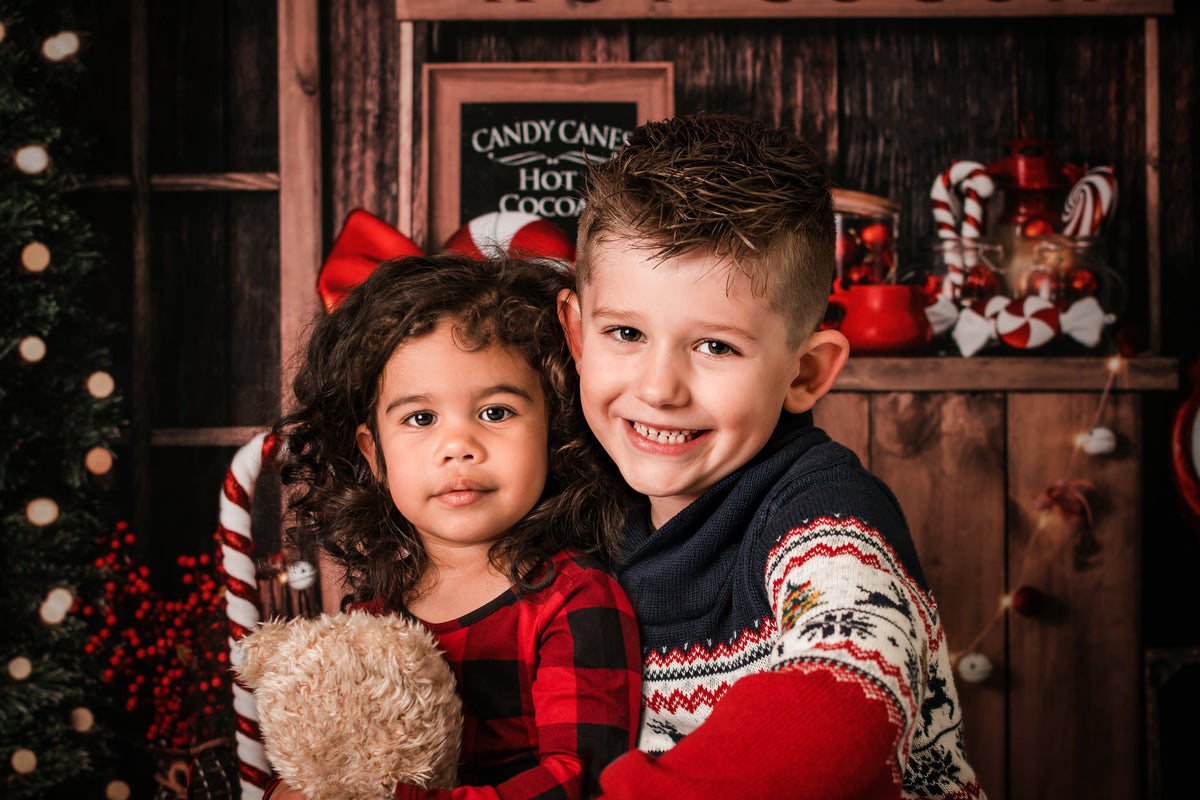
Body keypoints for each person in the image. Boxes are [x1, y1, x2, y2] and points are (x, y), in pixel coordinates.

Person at [558, 113, 985, 799]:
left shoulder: (826, 516)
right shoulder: (578, 514)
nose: (659, 389)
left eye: (716, 347)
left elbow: (849, 682)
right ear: (577, 336)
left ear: (806, 373)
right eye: (626, 333)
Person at [266, 254, 641, 800]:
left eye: (495, 412)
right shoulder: (375, 615)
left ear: (552, 427)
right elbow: (334, 755)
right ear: (375, 455)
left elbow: (581, 780)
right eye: (420, 419)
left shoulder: (574, 599)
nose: (458, 446)